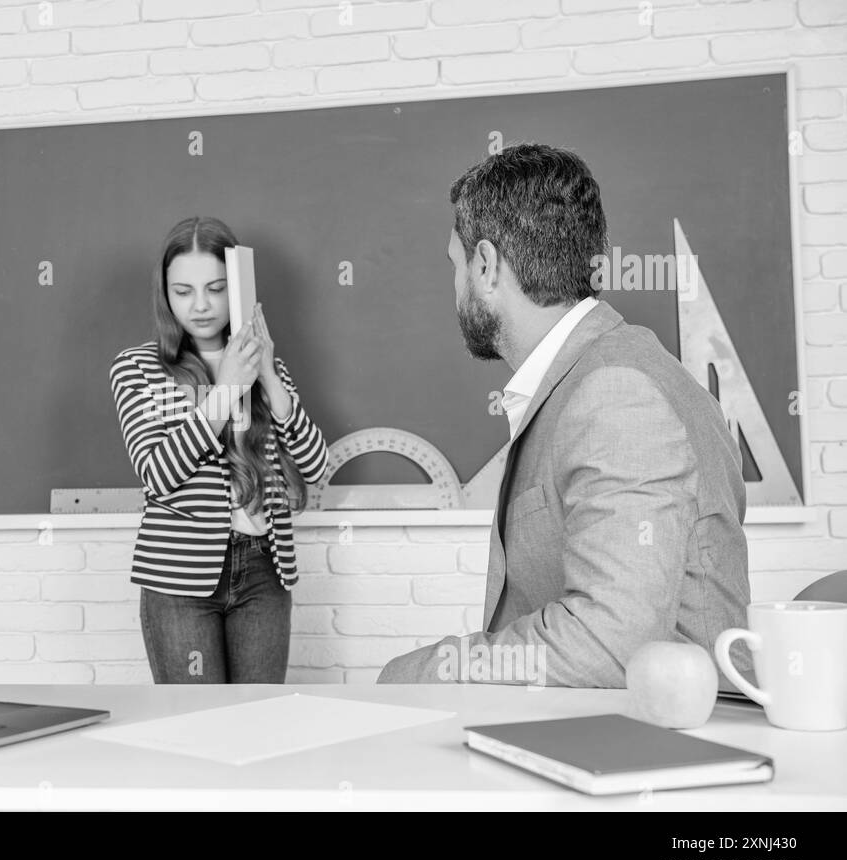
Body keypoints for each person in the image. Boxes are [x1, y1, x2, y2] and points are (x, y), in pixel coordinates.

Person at [378, 143, 750, 687]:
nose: (455, 288)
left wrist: (420, 672)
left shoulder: (617, 395)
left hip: (658, 747)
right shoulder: (606, 372)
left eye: (456, 267)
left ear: (486, 266)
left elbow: (611, 644)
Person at [110, 216, 329, 683]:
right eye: (183, 291)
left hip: (264, 574)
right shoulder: (137, 369)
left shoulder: (267, 369)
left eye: (215, 288)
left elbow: (315, 465)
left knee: (258, 725)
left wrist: (268, 378)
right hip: (178, 582)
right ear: (165, 295)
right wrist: (226, 391)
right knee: (195, 727)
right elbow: (156, 472)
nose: (202, 305)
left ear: (238, 290)